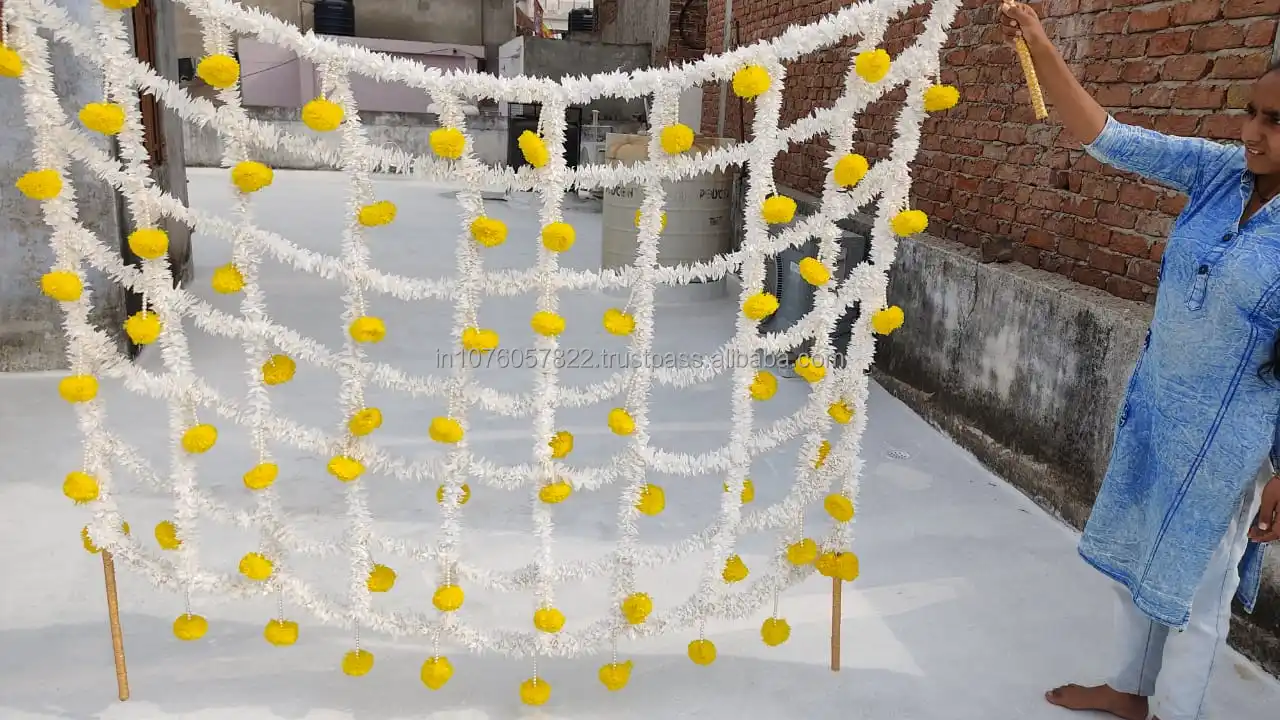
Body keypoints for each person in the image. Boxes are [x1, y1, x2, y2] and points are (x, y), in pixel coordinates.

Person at [998, 3, 1280, 719]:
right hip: (1156, 409)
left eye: (1274, 122)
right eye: (1252, 112)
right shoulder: (1220, 173)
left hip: (1229, 445)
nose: (1251, 132)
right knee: (1134, 565)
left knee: (1194, 595)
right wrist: (1039, 42)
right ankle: (1131, 692)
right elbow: (1106, 136)